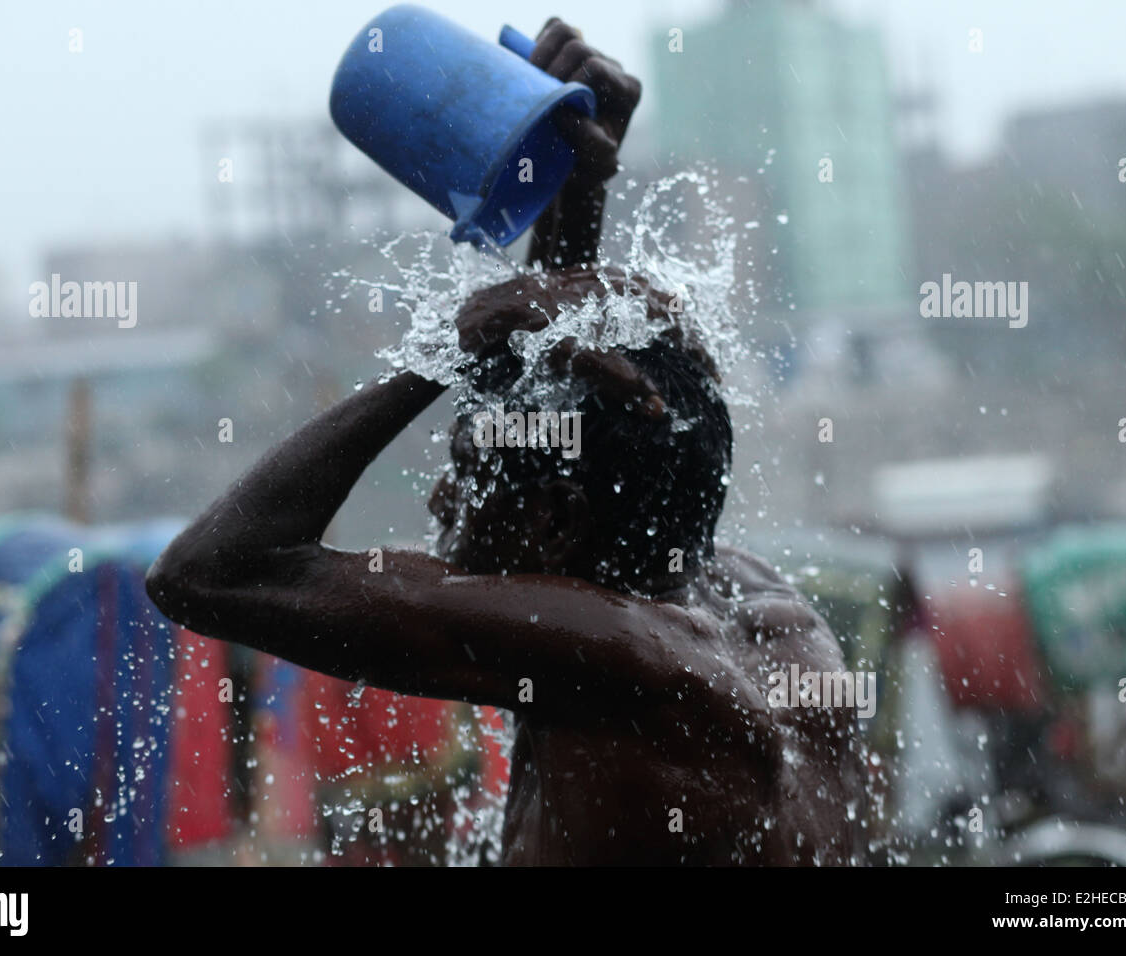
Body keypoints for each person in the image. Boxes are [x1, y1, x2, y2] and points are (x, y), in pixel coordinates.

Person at [147, 18, 865, 865]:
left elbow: (208, 573)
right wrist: (574, 180)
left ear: (555, 521)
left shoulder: (620, 656)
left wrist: (445, 350)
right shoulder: (758, 612)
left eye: (464, 471)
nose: (442, 500)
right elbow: (559, 431)